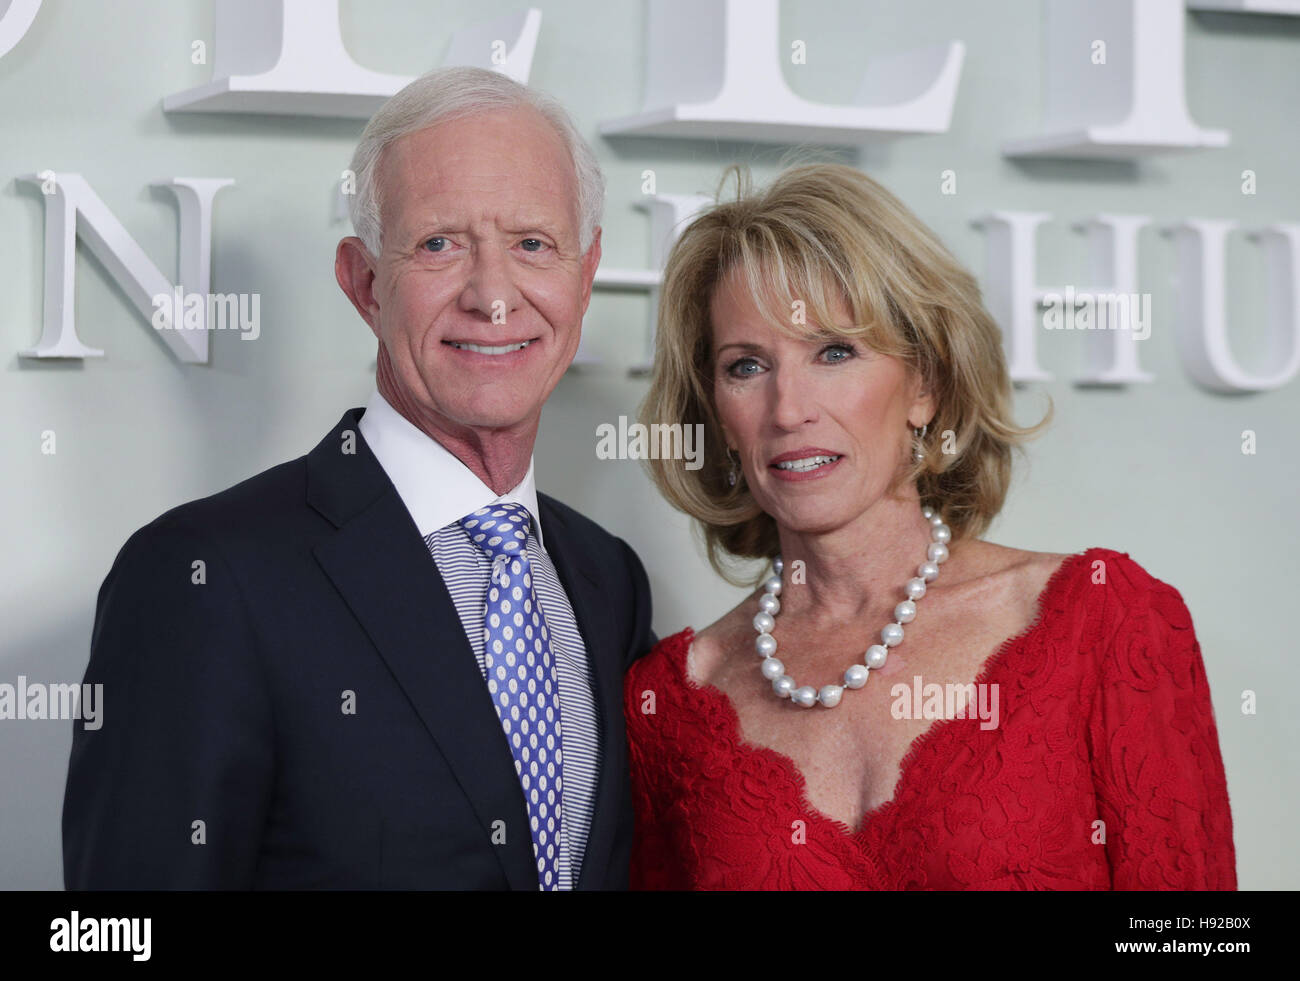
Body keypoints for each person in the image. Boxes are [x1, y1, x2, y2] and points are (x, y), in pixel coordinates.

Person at [63, 66, 655, 890]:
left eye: (532, 243)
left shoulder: (607, 580)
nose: (493, 297)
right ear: (366, 283)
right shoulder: (204, 575)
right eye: (440, 244)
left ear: (584, 276)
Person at [625, 163, 1236, 890]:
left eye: (834, 352)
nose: (788, 409)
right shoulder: (674, 702)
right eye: (747, 365)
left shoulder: (1102, 622)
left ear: (926, 385)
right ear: (717, 415)